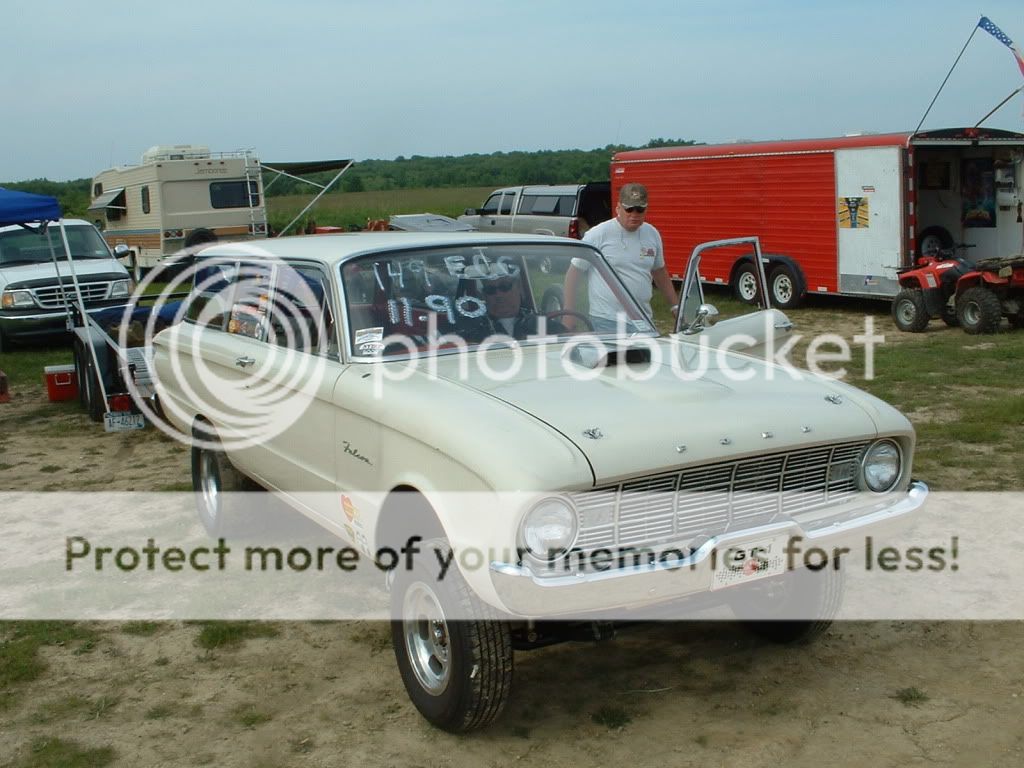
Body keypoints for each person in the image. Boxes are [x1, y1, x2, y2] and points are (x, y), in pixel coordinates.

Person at [564, 182, 678, 332]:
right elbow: (574, 272)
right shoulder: (598, 234)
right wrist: (569, 313)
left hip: (643, 319)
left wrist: (676, 307)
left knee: (647, 356)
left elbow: (660, 272)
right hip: (606, 320)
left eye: (639, 209)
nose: (634, 214)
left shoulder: (652, 234)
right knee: (615, 357)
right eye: (629, 209)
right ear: (618, 208)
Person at [457, 271, 565, 342]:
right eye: (491, 290)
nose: (498, 295)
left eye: (505, 287)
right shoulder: (473, 330)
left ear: (519, 288)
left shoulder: (542, 325)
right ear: (484, 296)